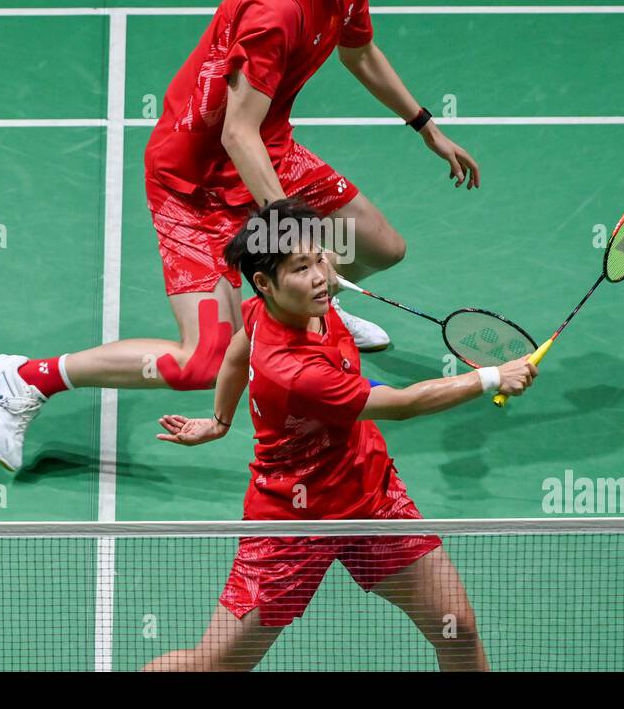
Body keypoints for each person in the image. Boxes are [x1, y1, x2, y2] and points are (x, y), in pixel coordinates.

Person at [0, 0, 483, 472]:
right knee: (201, 363)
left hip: (266, 148)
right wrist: (295, 238)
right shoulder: (276, 10)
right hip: (191, 178)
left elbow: (358, 51)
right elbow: (233, 134)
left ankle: (308, 299)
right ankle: (28, 378)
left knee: (380, 246)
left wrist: (424, 124)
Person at [142, 199, 536, 671]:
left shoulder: (275, 308)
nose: (319, 276)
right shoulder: (292, 371)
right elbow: (403, 404)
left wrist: (221, 421)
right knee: (214, 666)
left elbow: (233, 353)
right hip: (293, 526)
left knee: (458, 628)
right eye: (300, 268)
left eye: (319, 258)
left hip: (370, 497)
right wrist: (491, 377)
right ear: (265, 284)